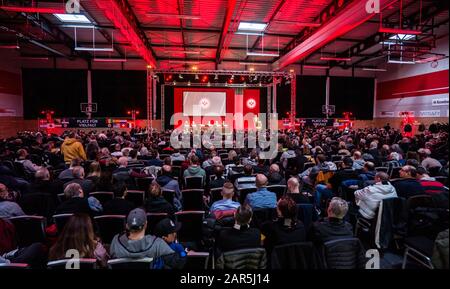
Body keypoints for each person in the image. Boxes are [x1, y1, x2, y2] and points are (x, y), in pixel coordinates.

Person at [109, 208, 181, 268]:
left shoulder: (115, 242)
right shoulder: (158, 244)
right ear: (146, 225)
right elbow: (176, 262)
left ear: (127, 226)